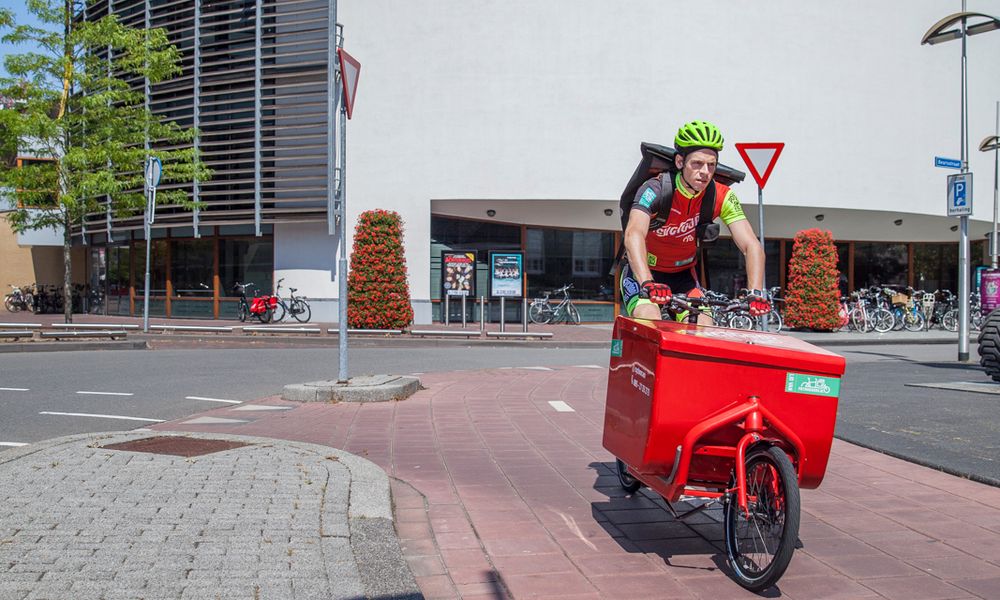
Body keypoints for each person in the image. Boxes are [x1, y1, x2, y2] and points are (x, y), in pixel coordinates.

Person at [620, 120, 770, 323]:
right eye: (697, 163)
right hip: (644, 274)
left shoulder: (722, 195)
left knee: (704, 325)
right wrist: (647, 281)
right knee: (651, 318)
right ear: (680, 162)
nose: (705, 172)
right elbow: (634, 233)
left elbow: (751, 244)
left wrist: (756, 293)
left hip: (684, 277)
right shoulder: (655, 189)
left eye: (711, 165)